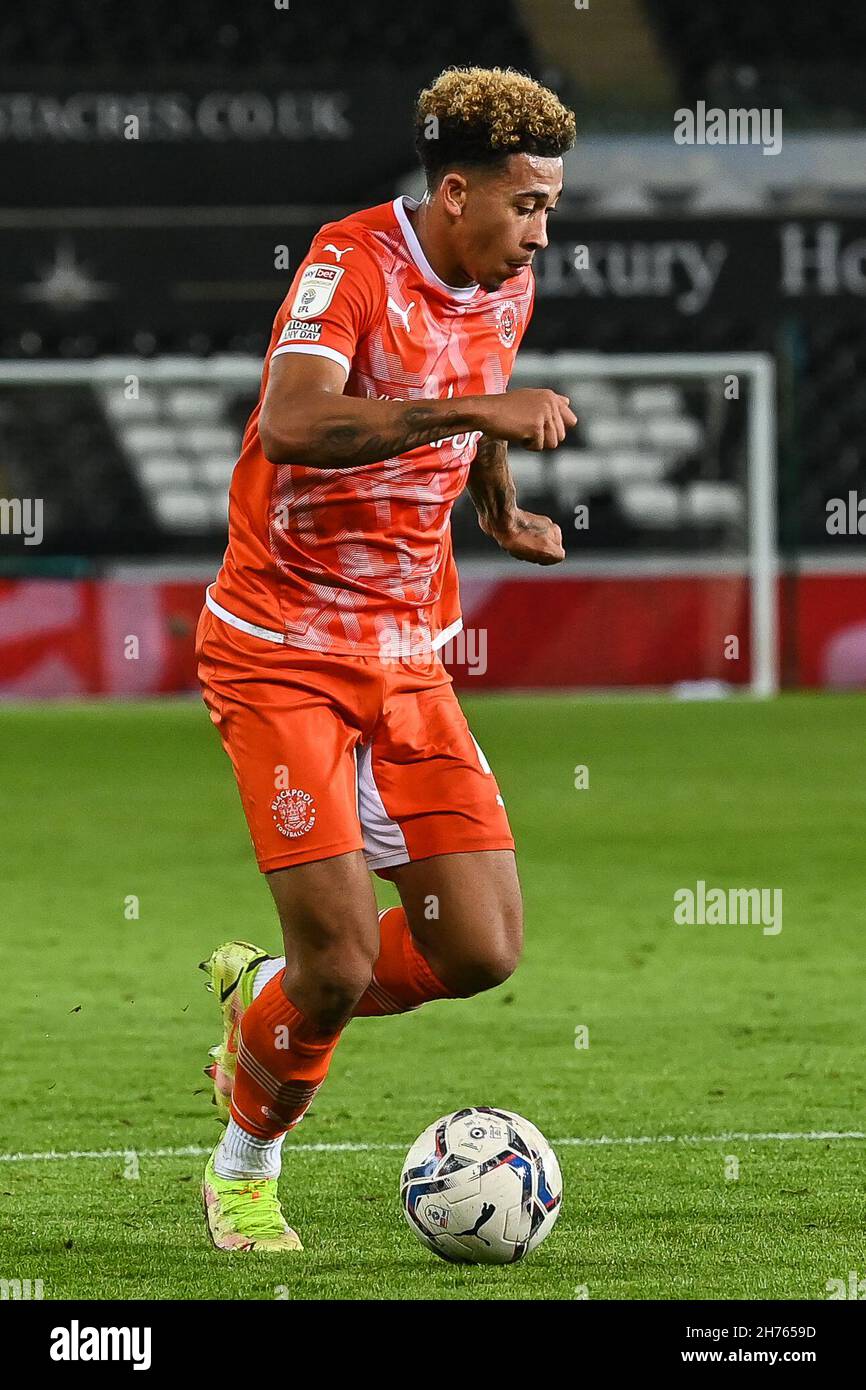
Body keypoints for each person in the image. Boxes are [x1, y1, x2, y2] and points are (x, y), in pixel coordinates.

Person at [196, 65, 577, 1250]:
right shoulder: (348, 264)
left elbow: (477, 408)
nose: (539, 232)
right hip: (281, 654)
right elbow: (297, 426)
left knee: (478, 946)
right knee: (340, 958)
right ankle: (243, 1168)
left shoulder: (498, 283)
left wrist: (496, 509)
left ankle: (271, 999)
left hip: (407, 657)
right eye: (524, 207)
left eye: (550, 207)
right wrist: (476, 417)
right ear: (454, 192)